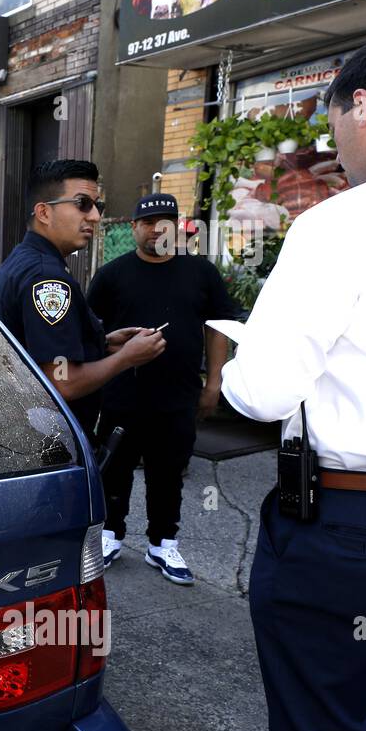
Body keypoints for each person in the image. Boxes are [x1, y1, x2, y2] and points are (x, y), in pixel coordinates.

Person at [220, 27, 366, 731]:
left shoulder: (341, 226)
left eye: (332, 119)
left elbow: (262, 392)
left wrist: (232, 356)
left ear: (361, 103)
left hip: (348, 533)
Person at [87, 193, 241, 584]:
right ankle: (110, 536)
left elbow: (217, 327)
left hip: (178, 395)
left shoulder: (201, 273)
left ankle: (163, 544)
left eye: (167, 221)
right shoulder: (111, 275)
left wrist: (214, 383)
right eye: (150, 222)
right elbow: (91, 334)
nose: (159, 229)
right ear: (134, 227)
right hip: (121, 393)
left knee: (168, 473)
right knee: (115, 470)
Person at [0, 159, 166, 443]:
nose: (94, 215)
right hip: (51, 442)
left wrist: (103, 343)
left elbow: (36, 348)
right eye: (83, 203)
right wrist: (126, 357)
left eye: (98, 205)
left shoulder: (24, 260)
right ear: (44, 212)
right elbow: (62, 381)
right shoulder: (46, 276)